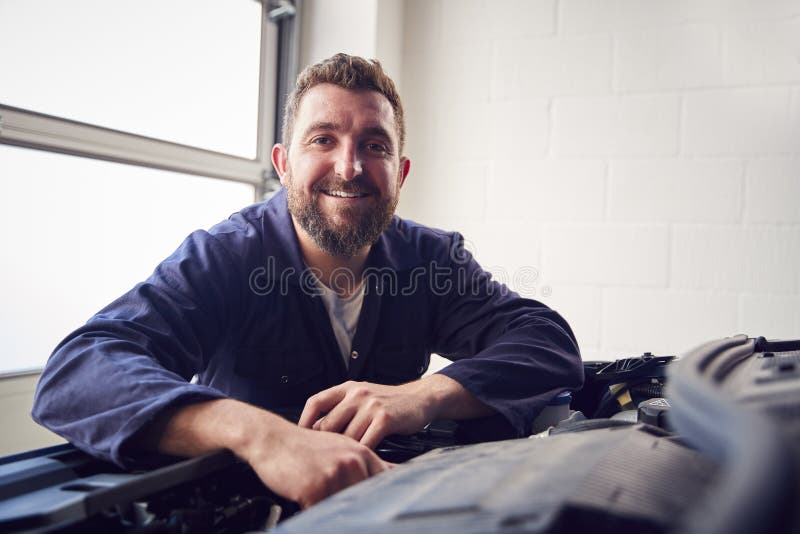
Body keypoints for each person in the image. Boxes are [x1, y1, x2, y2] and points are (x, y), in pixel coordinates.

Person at [32, 53, 583, 509]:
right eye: (323, 139)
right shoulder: (225, 256)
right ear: (283, 164)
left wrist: (424, 395)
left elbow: (547, 342)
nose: (350, 167)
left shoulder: (432, 259)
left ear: (401, 171)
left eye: (375, 144)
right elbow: (78, 371)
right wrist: (263, 436)